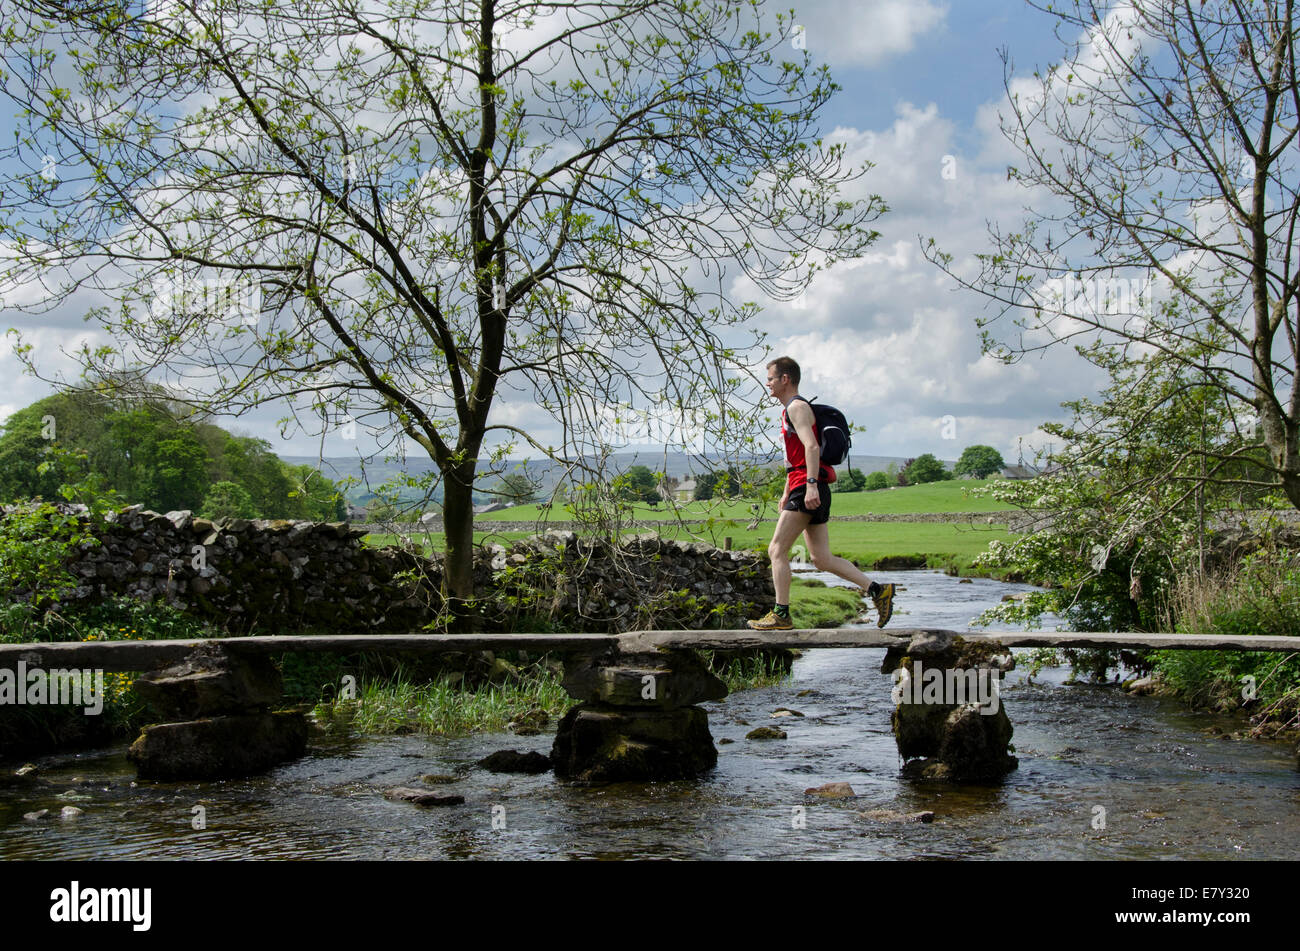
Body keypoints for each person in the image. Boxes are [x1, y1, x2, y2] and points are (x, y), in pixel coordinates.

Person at [747, 356, 895, 630]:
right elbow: (795, 458)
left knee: (776, 549)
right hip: (805, 485)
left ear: (785, 379)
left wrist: (810, 485)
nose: (766, 383)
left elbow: (812, 448)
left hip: (808, 487)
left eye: (770, 378)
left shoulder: (797, 407)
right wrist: (786, 490)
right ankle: (877, 591)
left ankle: (781, 615)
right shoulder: (791, 409)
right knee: (821, 559)